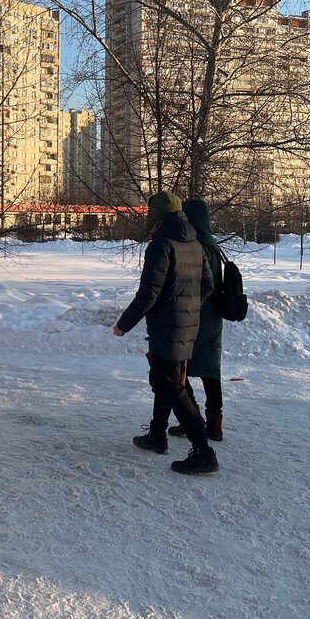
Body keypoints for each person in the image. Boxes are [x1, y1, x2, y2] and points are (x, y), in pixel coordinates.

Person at [112, 191, 219, 474]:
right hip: (187, 327)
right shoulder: (195, 243)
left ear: (157, 218)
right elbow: (207, 286)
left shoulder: (161, 246)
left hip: (167, 328)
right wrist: (188, 307)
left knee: (174, 387)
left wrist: (123, 324)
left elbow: (149, 294)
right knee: (164, 380)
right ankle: (157, 436)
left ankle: (203, 451)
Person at [166, 199, 224, 441]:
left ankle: (191, 417)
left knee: (180, 366)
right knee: (211, 370)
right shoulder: (213, 246)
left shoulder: (198, 247)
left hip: (194, 316)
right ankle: (214, 424)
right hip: (213, 320)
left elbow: (197, 284)